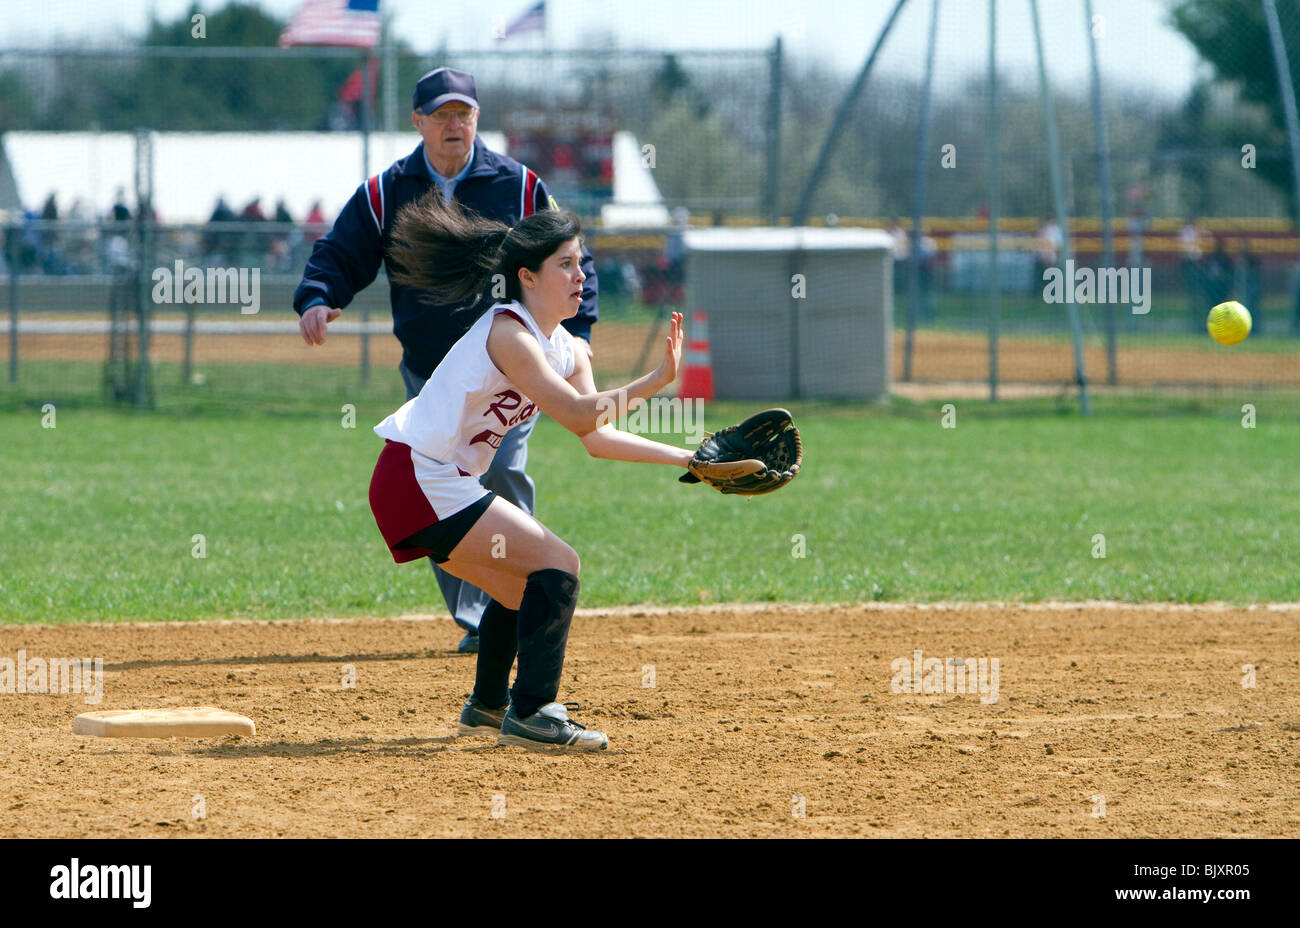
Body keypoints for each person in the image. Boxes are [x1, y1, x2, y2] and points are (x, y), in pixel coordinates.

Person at [295, 67, 599, 655]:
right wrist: (318, 295)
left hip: (513, 360)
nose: (454, 124)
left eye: (464, 114)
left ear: (478, 120)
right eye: (442, 115)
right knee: (439, 478)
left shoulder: (520, 186)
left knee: (502, 465)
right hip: (431, 368)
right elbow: (342, 251)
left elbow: (569, 254)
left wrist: (579, 331)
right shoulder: (387, 191)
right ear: (419, 123)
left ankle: (517, 592)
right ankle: (479, 616)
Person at [369, 192, 685, 752]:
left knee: (519, 589)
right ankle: (534, 713)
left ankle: (488, 706)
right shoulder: (509, 331)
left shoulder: (570, 351)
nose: (580, 273)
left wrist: (688, 459)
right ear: (527, 278)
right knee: (559, 565)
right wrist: (654, 381)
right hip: (416, 475)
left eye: (581, 261)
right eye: (565, 263)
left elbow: (597, 438)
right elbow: (576, 413)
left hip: (434, 483)